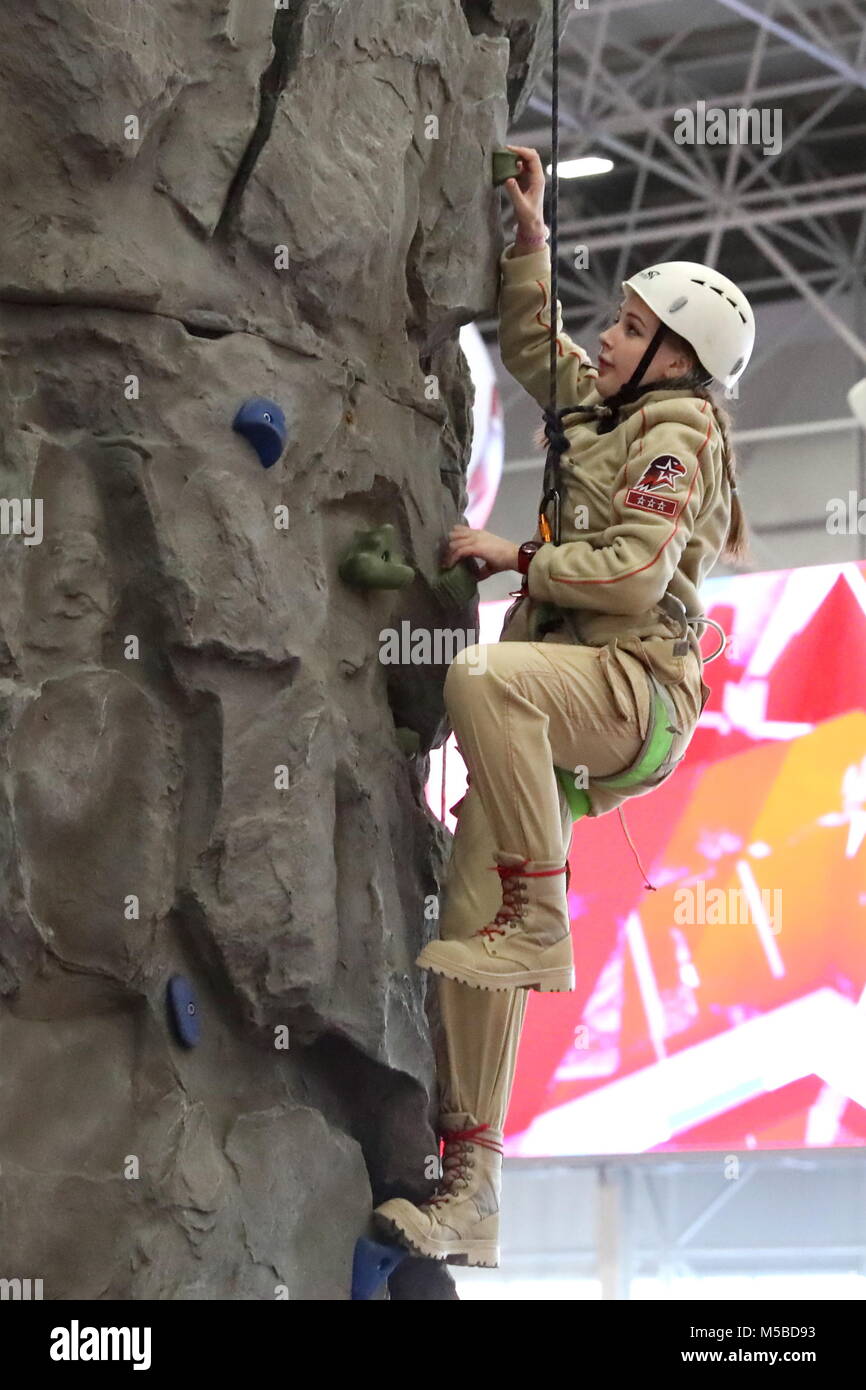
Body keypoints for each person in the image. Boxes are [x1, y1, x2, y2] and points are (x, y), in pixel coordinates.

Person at [374, 145, 755, 1269]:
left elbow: (634, 573)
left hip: (630, 692)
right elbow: (540, 353)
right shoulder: (610, 413)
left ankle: (541, 916)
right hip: (558, 707)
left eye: (632, 330)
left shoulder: (679, 434)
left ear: (677, 359)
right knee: (461, 933)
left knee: (481, 675)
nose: (608, 338)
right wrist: (531, 235)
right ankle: (470, 1187)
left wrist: (517, 553)